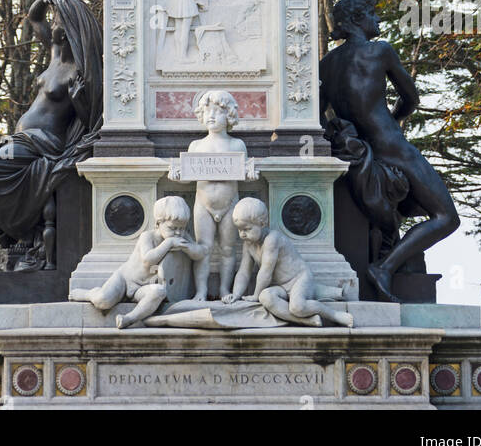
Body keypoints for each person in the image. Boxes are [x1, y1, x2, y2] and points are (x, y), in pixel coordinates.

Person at [319, 0, 460, 302]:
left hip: (359, 151)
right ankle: (385, 267)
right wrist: (393, 120)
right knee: (446, 217)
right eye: (372, 13)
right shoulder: (380, 51)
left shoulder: (325, 65)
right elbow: (411, 98)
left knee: (413, 211)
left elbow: (319, 115)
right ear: (357, 20)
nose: (378, 19)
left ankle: (397, 263)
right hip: (393, 147)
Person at [0, 0, 103, 269]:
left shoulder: (80, 71)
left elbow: (91, 119)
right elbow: (34, 18)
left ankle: (16, 233)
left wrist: (80, 100)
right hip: (18, 139)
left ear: (67, 30)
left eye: (57, 19)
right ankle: (16, 243)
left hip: (42, 144)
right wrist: (45, 0)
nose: (51, 24)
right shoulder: (55, 57)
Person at [70, 196, 206, 328]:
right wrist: (168, 243)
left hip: (143, 287)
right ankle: (87, 294)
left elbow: (199, 253)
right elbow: (148, 260)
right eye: (173, 228)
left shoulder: (180, 236)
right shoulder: (148, 237)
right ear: (158, 223)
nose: (178, 233)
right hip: (125, 279)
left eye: (182, 228)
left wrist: (188, 247)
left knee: (158, 292)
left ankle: (129, 319)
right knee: (103, 300)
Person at [224, 198, 353, 327]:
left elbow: (266, 272)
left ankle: (336, 315)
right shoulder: (248, 244)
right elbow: (244, 272)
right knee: (266, 298)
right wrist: (236, 294)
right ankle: (306, 320)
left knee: (297, 307)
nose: (242, 234)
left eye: (247, 229)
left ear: (262, 223)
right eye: (239, 230)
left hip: (299, 279)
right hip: (281, 287)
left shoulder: (272, 239)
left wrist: (255, 295)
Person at [180, 88, 251, 300]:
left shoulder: (237, 145)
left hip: (230, 204)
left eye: (218, 111)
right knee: (204, 248)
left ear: (229, 115)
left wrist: (250, 172)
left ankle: (224, 289)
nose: (211, 115)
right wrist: (177, 174)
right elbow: (187, 176)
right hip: (203, 204)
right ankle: (201, 291)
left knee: (228, 249)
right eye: (207, 110)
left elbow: (244, 173)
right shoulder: (196, 146)